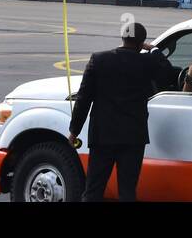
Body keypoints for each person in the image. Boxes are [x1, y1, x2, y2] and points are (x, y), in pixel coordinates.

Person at [68, 21, 177, 202]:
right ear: (141, 42)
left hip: (102, 135)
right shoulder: (146, 62)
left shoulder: (99, 60)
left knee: (94, 189)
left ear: (123, 37)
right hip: (133, 137)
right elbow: (168, 74)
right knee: (127, 191)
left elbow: (83, 99)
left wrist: (74, 131)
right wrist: (155, 50)